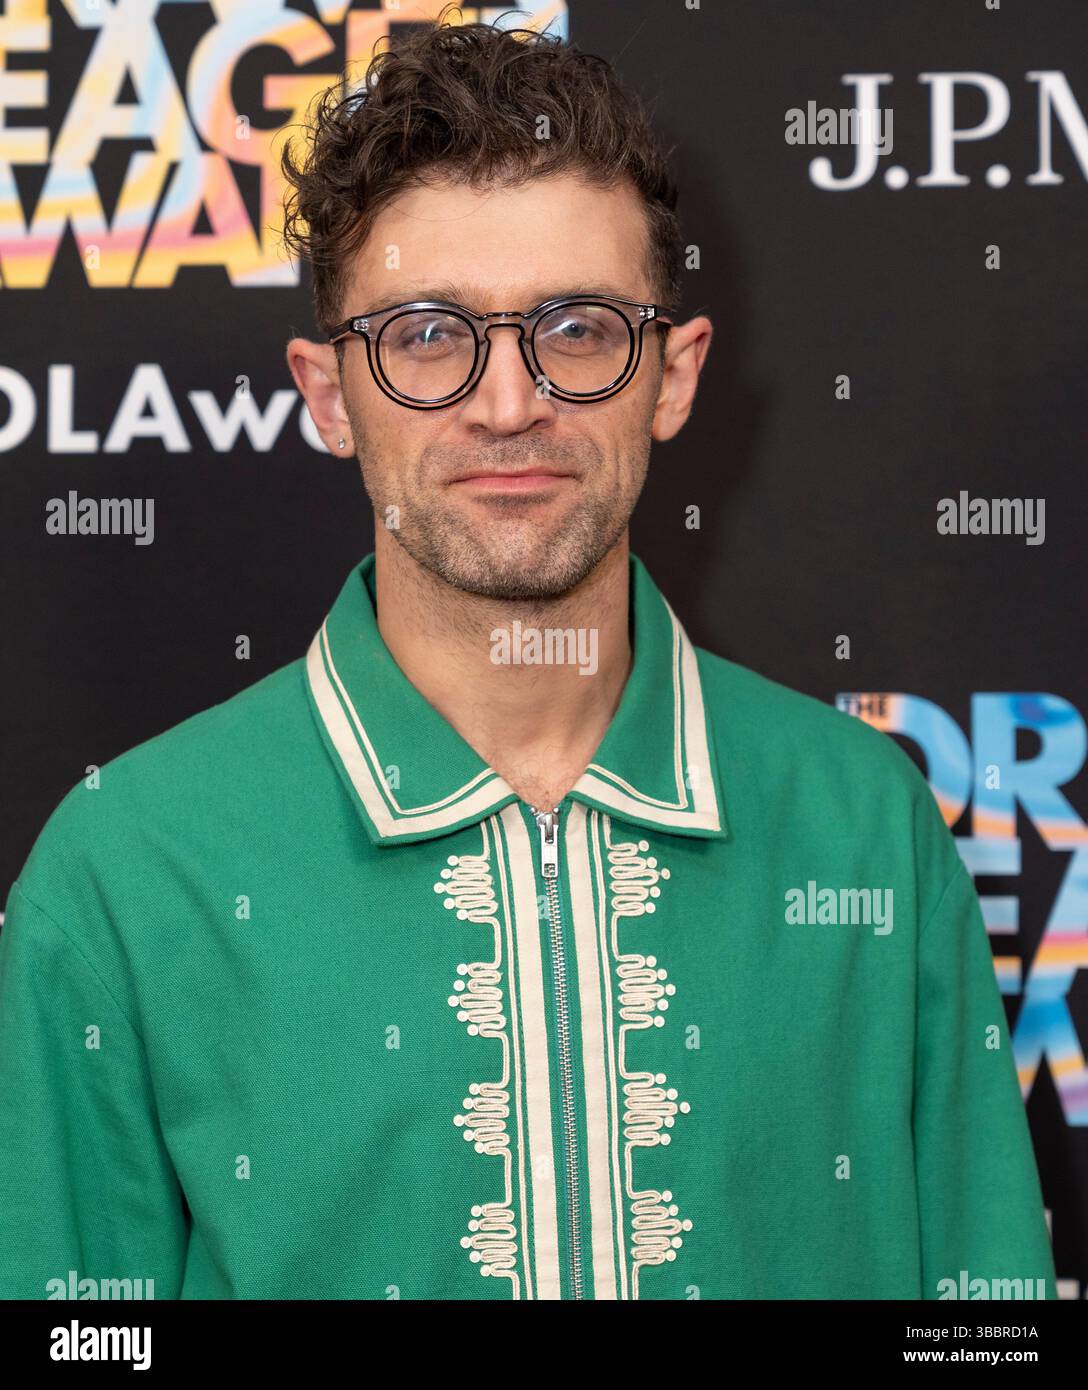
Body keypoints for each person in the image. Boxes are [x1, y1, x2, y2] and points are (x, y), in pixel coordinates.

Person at [0, 13, 1055, 1301]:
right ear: (331, 396)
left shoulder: (863, 827)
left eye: (578, 329)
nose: (511, 404)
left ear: (669, 374)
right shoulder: (124, 871)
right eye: (431, 336)